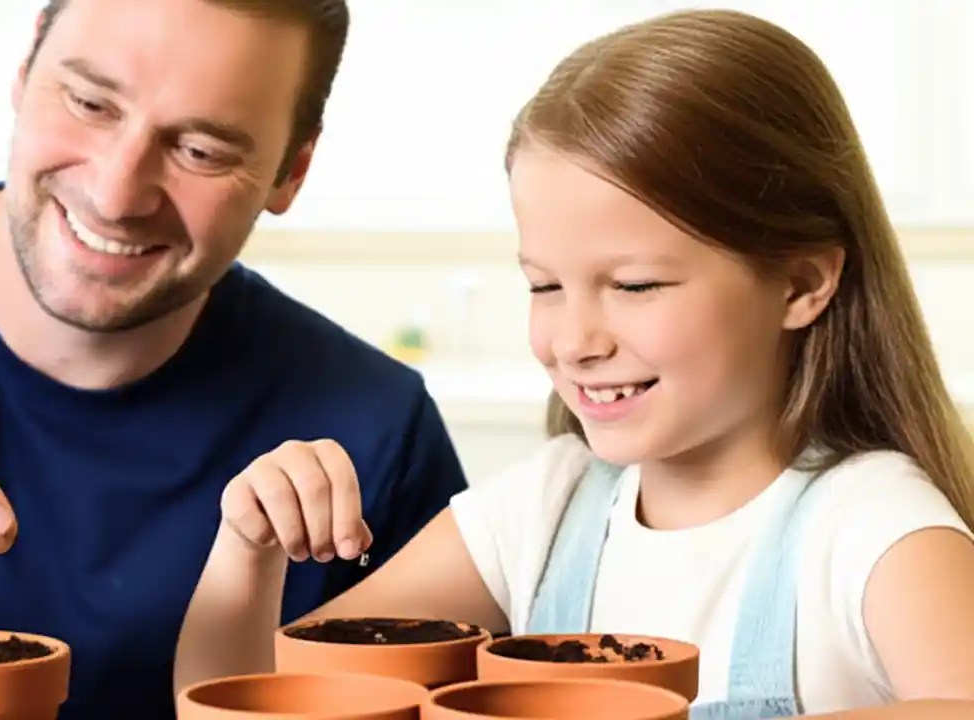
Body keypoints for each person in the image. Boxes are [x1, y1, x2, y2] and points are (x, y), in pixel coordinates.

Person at [174, 9, 974, 719]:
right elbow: (244, 700)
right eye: (545, 285)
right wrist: (248, 552)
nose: (577, 338)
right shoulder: (545, 511)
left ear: (800, 284)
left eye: (634, 285)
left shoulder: (867, 527)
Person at [0, 0, 468, 717]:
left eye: (200, 149)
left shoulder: (377, 430)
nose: (116, 191)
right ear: (27, 66)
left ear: (291, 172)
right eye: (90, 104)